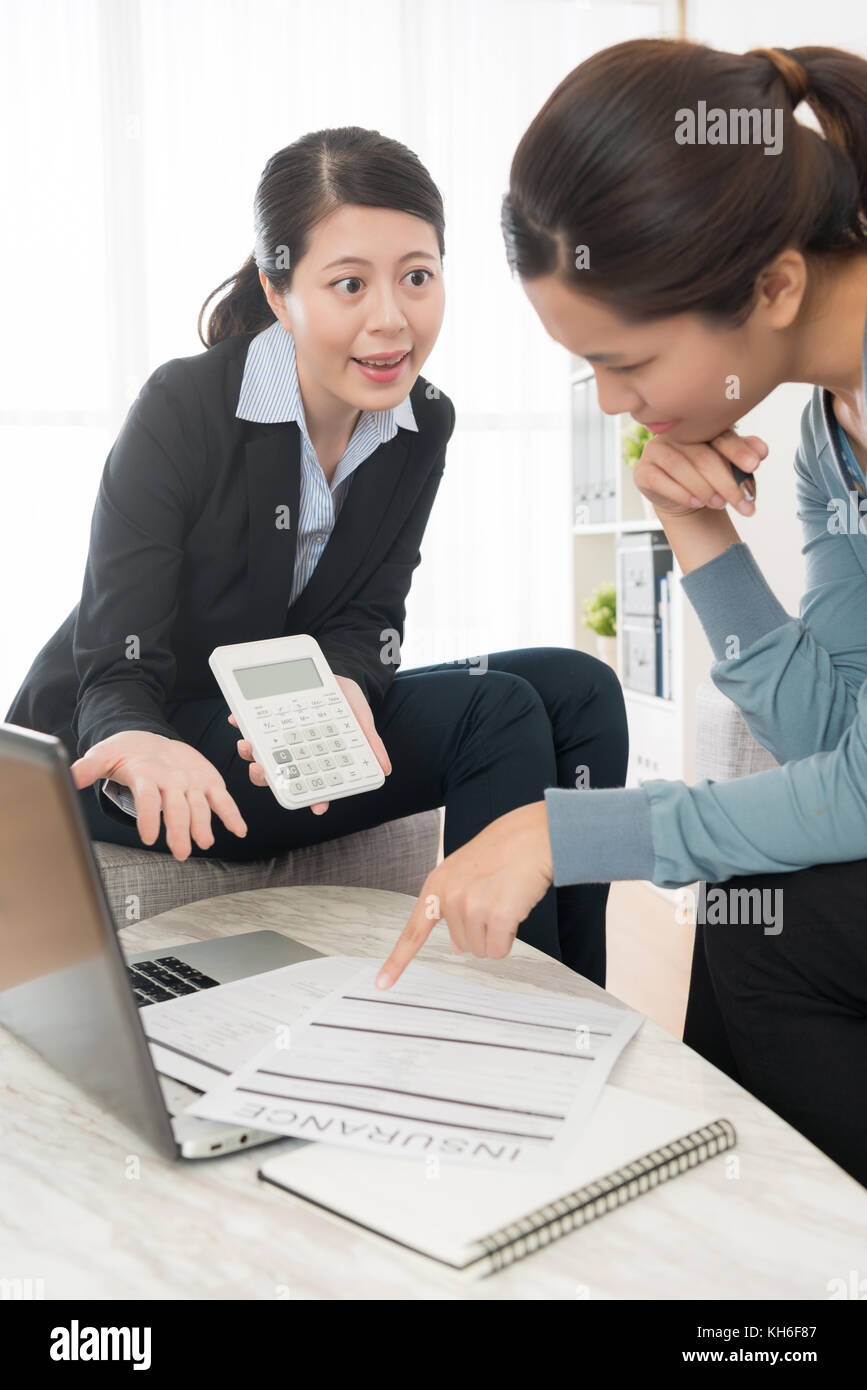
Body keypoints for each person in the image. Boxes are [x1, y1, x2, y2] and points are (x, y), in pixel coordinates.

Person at [376, 39, 867, 1189]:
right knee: (758, 914)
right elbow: (827, 735)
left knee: (768, 934)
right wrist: (693, 525)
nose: (610, 402)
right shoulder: (827, 432)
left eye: (625, 358)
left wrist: (570, 829)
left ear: (776, 287)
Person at [5, 126, 628, 985]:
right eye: (348, 284)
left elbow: (367, 618)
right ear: (278, 288)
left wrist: (345, 688)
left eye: (418, 275)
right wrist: (139, 740)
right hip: (136, 746)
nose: (391, 318)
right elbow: (115, 659)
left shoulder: (423, 421)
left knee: (575, 686)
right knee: (499, 712)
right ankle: (507, 1023)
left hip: (275, 723)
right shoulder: (185, 405)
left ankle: (581, 1004)